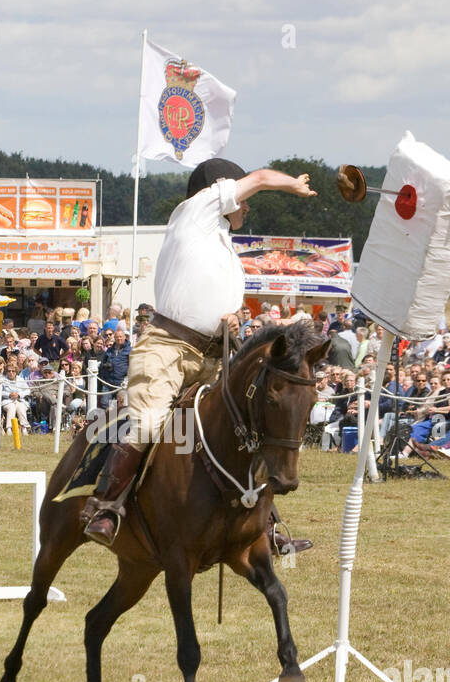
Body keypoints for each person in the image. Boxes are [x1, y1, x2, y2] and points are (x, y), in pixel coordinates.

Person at [82, 158, 317, 547]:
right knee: (148, 423)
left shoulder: (222, 243)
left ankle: (267, 526)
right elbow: (258, 179)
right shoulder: (194, 212)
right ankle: (106, 507)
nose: (247, 203)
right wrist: (291, 184)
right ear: (219, 193)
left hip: (211, 356)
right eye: (240, 196)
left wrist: (234, 319)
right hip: (166, 350)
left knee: (246, 430)